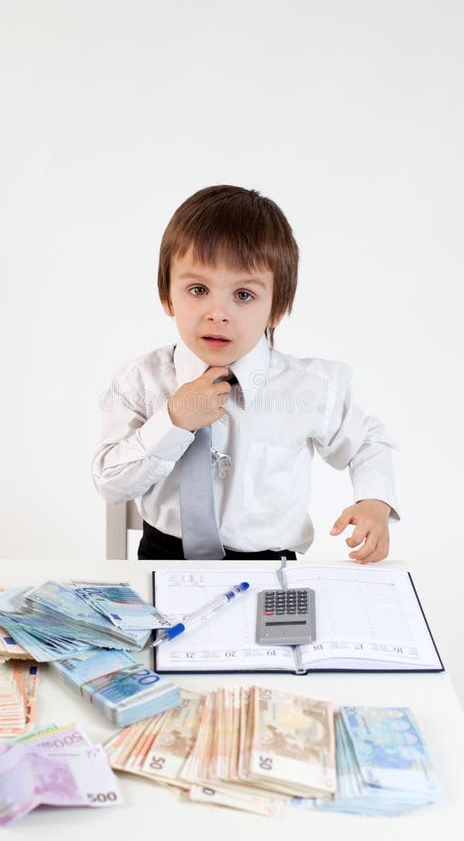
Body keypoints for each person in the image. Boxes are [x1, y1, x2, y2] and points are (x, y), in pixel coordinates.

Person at [92, 184, 399, 562]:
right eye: (198, 289)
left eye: (243, 295)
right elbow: (109, 483)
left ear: (276, 308)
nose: (217, 312)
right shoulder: (140, 381)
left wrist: (374, 502)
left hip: (269, 567)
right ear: (167, 295)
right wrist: (173, 421)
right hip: (163, 558)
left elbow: (369, 441)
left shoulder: (309, 387)